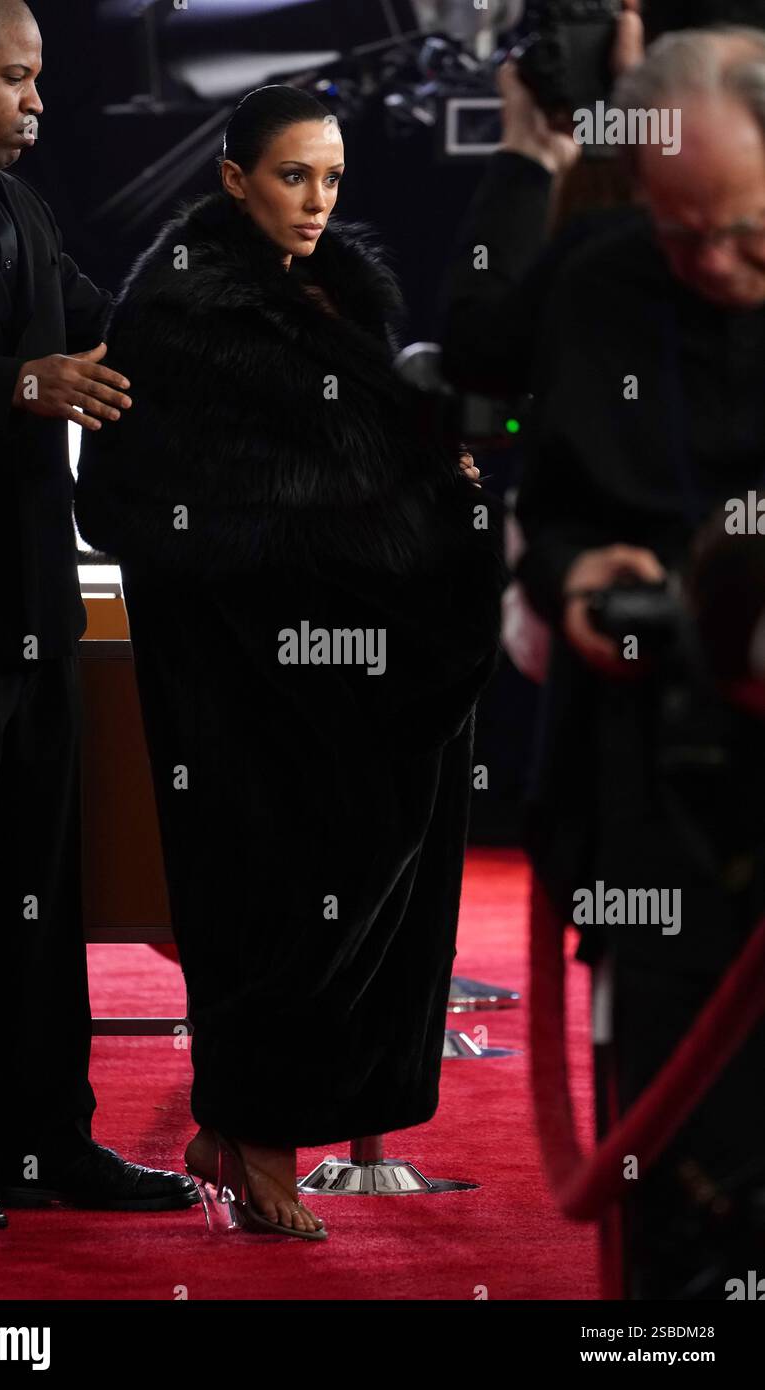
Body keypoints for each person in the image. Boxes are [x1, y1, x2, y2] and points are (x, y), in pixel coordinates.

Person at [75, 84, 504, 1241]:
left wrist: (434, 475)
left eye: (330, 177)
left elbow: (361, 451)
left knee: (358, 893)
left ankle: (248, 1126)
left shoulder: (340, 286)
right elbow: (139, 497)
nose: (316, 202)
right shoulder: (180, 307)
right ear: (232, 179)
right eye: (290, 177)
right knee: (267, 899)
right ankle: (255, 1137)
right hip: (245, 674)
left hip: (353, 656)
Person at [0, 0, 196, 1231]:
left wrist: (238, 301)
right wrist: (12, 384)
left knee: (39, 894)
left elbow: (105, 320)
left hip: (35, 616)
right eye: (16, 79)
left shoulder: (18, 206)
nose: (36, 103)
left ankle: (45, 1138)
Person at [514, 28, 765, 1295]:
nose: (713, 266)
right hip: (649, 807)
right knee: (672, 1177)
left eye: (747, 236)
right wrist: (569, 585)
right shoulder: (596, 281)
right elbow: (544, 516)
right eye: (680, 234)